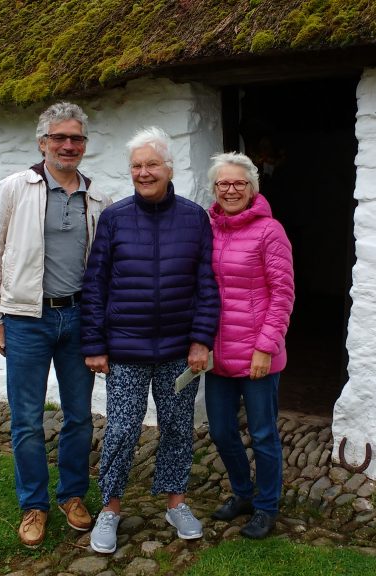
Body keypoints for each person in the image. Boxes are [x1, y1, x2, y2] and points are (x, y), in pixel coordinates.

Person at [0, 102, 111, 548]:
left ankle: (72, 495)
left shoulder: (96, 197)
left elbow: (104, 268)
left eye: (76, 139)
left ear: (84, 145)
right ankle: (33, 504)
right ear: (42, 143)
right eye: (59, 138)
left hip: (79, 317)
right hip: (27, 318)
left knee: (78, 417)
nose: (68, 146)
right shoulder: (16, 188)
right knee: (28, 420)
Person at [81, 126, 220, 554]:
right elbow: (95, 284)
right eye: (137, 166)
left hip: (179, 350)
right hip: (125, 349)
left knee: (178, 428)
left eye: (151, 164)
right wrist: (94, 344)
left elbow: (206, 284)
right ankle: (110, 508)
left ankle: (175, 502)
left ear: (169, 168)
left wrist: (201, 340)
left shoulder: (195, 217)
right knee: (122, 430)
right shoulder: (115, 217)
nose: (143, 172)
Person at [203, 152, 295, 539]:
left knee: (262, 434)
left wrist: (266, 346)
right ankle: (242, 492)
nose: (231, 189)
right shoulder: (207, 229)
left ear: (252, 188)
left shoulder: (269, 231)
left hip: (258, 353)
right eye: (223, 183)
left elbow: (283, 293)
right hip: (217, 353)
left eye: (239, 183)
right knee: (222, 431)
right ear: (214, 189)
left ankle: (267, 506)